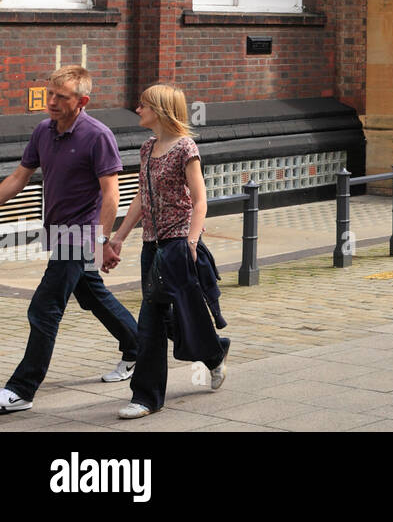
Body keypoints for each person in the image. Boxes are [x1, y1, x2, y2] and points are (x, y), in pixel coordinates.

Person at [0, 67, 139, 415]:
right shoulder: (43, 131)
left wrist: (103, 240)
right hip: (58, 231)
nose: (51, 102)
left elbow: (111, 195)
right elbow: (18, 177)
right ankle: (141, 347)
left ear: (82, 101)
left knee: (44, 307)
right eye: (50, 94)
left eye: (61, 97)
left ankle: (22, 389)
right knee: (93, 296)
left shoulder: (98, 135)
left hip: (81, 234)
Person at [107, 84, 229, 419]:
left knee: (153, 319)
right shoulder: (147, 148)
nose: (137, 110)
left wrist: (191, 242)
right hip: (152, 245)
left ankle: (146, 397)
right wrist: (119, 237)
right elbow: (141, 197)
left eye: (143, 105)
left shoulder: (185, 148)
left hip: (177, 246)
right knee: (163, 316)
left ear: (160, 110)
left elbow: (200, 201)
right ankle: (214, 353)